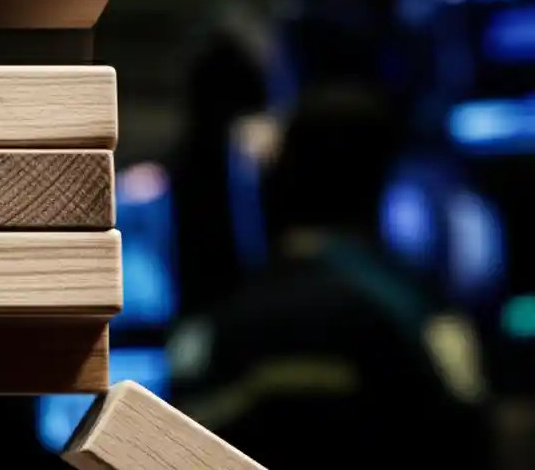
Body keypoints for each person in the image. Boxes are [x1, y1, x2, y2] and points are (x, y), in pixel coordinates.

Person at [166, 83, 493, 469]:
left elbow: (173, 443)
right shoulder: (419, 317)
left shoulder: (219, 327)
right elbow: (469, 435)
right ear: (383, 186)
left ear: (280, 181)